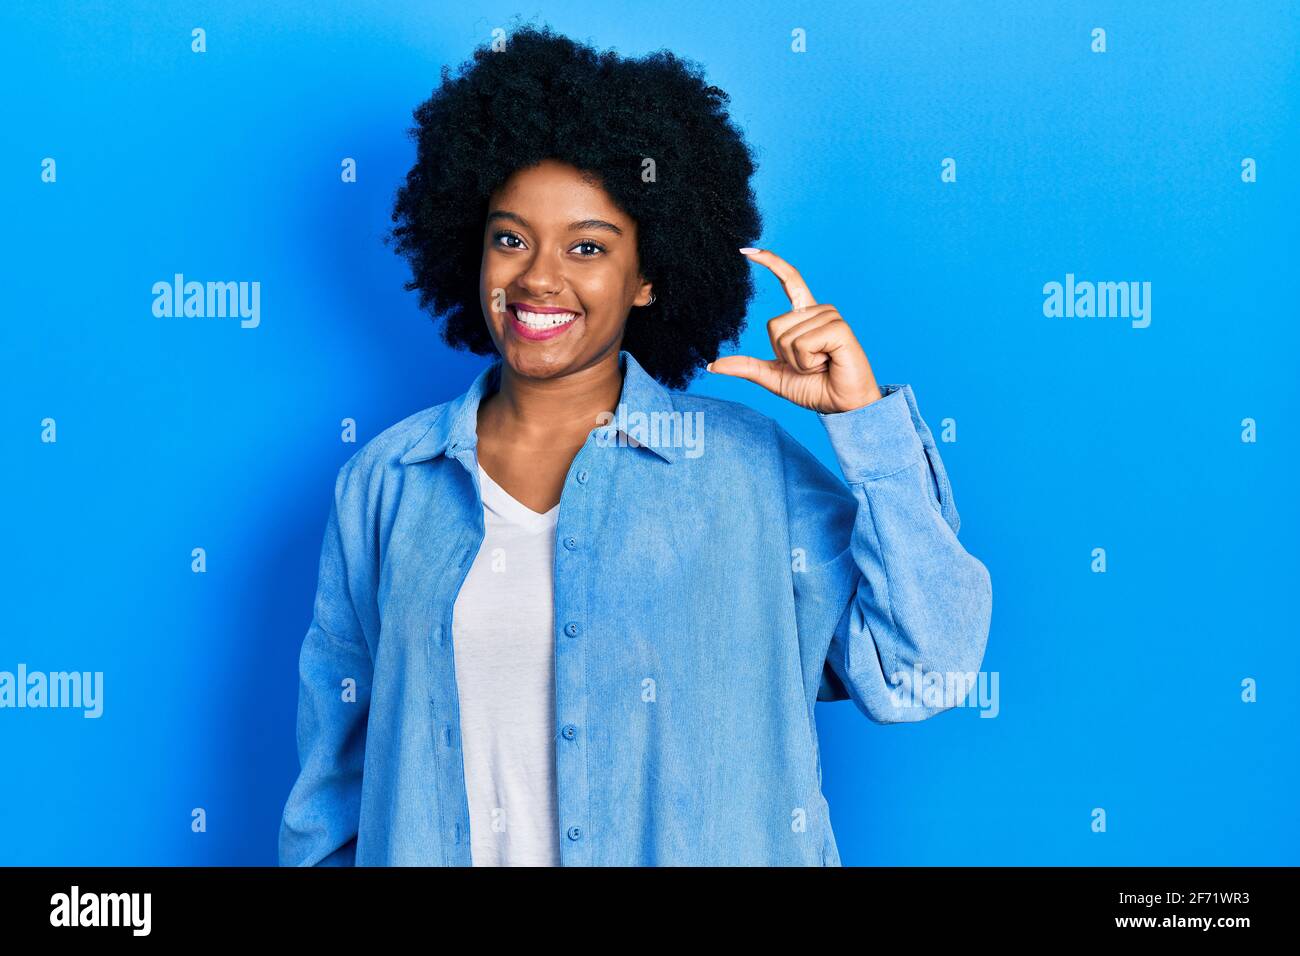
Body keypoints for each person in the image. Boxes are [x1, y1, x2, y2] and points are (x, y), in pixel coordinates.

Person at [278, 24, 992, 867]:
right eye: (511, 238)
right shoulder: (386, 485)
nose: (539, 276)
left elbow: (922, 667)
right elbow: (333, 791)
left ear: (649, 277)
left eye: (588, 247)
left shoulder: (747, 473)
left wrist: (863, 422)